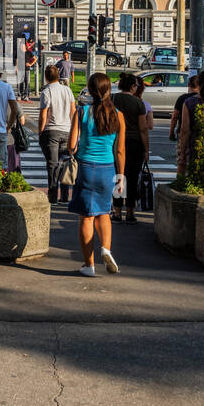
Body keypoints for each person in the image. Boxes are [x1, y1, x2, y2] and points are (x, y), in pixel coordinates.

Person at [67, 72, 124, 277]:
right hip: (108, 169)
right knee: (104, 213)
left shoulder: (82, 112)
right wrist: (121, 176)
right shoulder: (118, 115)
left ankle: (89, 265)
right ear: (108, 90)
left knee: (86, 217)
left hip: (86, 167)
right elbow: (120, 150)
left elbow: (71, 145)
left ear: (90, 91)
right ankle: (106, 250)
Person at [111, 73, 150, 224]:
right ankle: (130, 213)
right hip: (135, 143)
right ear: (133, 87)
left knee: (118, 176)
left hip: (115, 142)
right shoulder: (138, 103)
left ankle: (117, 211)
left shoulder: (112, 99)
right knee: (132, 178)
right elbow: (143, 129)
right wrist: (146, 149)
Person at [39, 63, 77, 204]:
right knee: (65, 163)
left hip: (52, 131)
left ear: (46, 77)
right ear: (58, 76)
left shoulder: (46, 92)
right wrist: (74, 128)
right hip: (67, 130)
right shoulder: (68, 90)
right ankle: (65, 195)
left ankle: (53, 195)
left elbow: (44, 115)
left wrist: (41, 130)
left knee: (52, 164)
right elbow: (73, 111)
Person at [169, 74, 200, 144]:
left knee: (182, 153)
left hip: (183, 131)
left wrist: (171, 132)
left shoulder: (182, 98)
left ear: (189, 84)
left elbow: (174, 117)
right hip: (199, 133)